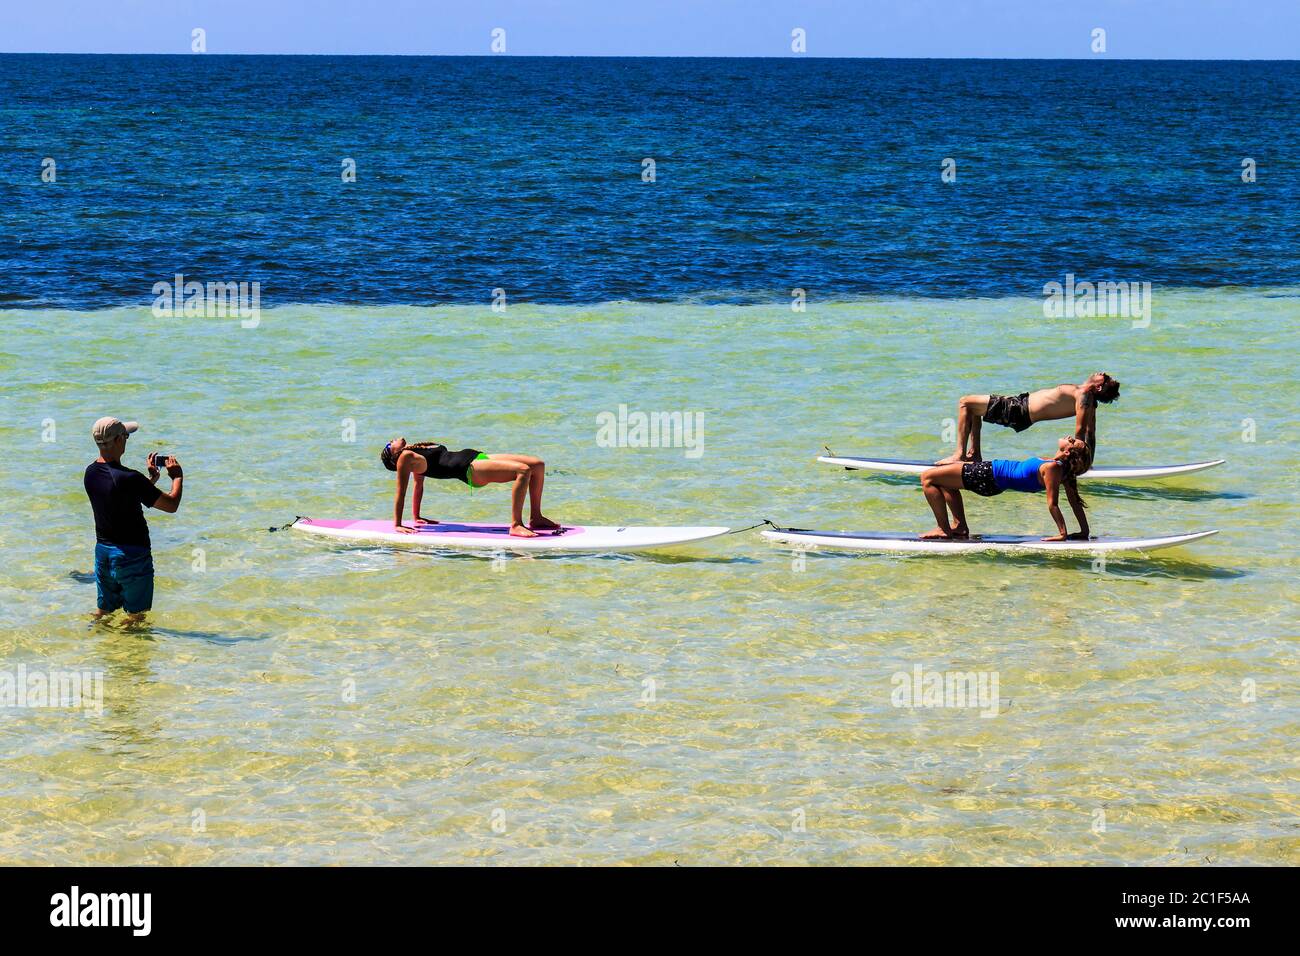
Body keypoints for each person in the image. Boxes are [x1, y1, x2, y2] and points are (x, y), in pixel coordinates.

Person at [83, 418, 183, 621]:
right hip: (132, 557)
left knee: (104, 612)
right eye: (126, 436)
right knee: (136, 618)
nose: (127, 439)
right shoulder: (130, 479)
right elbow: (171, 505)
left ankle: (95, 643)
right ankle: (128, 651)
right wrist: (177, 477)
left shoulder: (90, 473)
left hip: (103, 555)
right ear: (119, 440)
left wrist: (150, 482)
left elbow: (118, 496)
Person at [919, 436, 1092, 541]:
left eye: (1072, 441)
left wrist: (1062, 533)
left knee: (927, 477)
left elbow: (1053, 504)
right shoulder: (1059, 468)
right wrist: (1084, 531)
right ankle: (959, 527)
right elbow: (1075, 502)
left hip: (988, 475)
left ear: (1068, 452)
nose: (1070, 437)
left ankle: (943, 529)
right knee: (944, 481)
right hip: (990, 474)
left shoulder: (1052, 469)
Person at [381, 437, 558, 538]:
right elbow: (401, 492)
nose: (392, 440)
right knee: (523, 471)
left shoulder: (414, 453)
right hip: (470, 470)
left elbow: (418, 486)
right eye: (390, 445)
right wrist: (397, 524)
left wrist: (417, 516)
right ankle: (516, 524)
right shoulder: (405, 458)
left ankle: (536, 517)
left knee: (538, 465)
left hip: (477, 457)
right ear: (394, 457)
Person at [937, 372, 1120, 463]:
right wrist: (1089, 463)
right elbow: (1091, 434)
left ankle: (959, 454)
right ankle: (974, 454)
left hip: (1019, 410)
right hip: (1019, 405)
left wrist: (1079, 463)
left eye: (1104, 377)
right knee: (974, 409)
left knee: (965, 402)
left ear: (1099, 388)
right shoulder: (1088, 401)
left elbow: (1082, 433)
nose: (1101, 372)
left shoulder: (1084, 397)